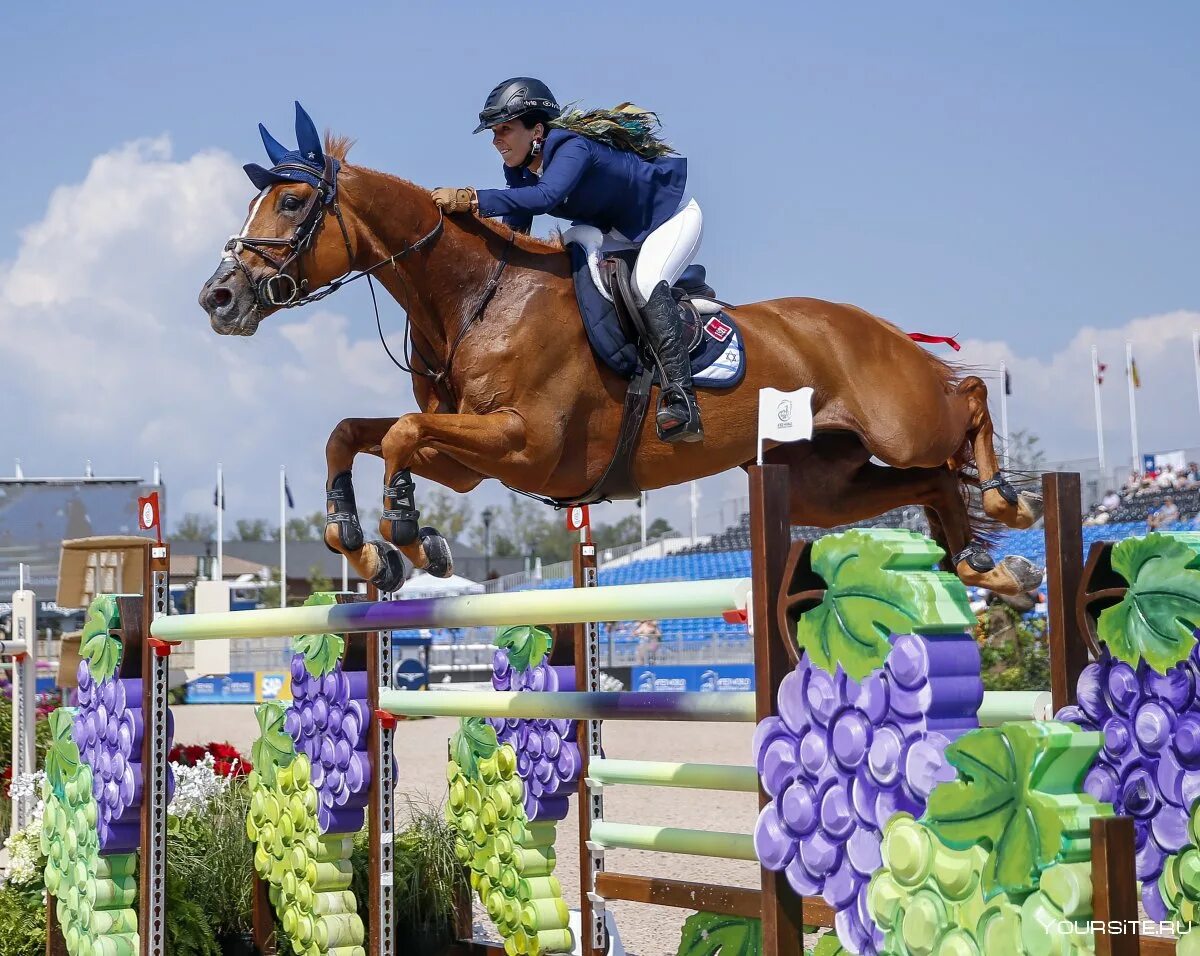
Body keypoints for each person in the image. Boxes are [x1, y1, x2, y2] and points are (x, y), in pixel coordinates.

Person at [431, 77, 704, 443]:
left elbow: (545, 197)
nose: (496, 140)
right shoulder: (519, 166)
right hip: (618, 229)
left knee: (644, 282)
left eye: (505, 129)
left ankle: (681, 399)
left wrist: (473, 199)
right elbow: (518, 233)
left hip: (669, 218)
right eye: (493, 132)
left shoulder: (573, 147)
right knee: (572, 260)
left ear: (537, 129)